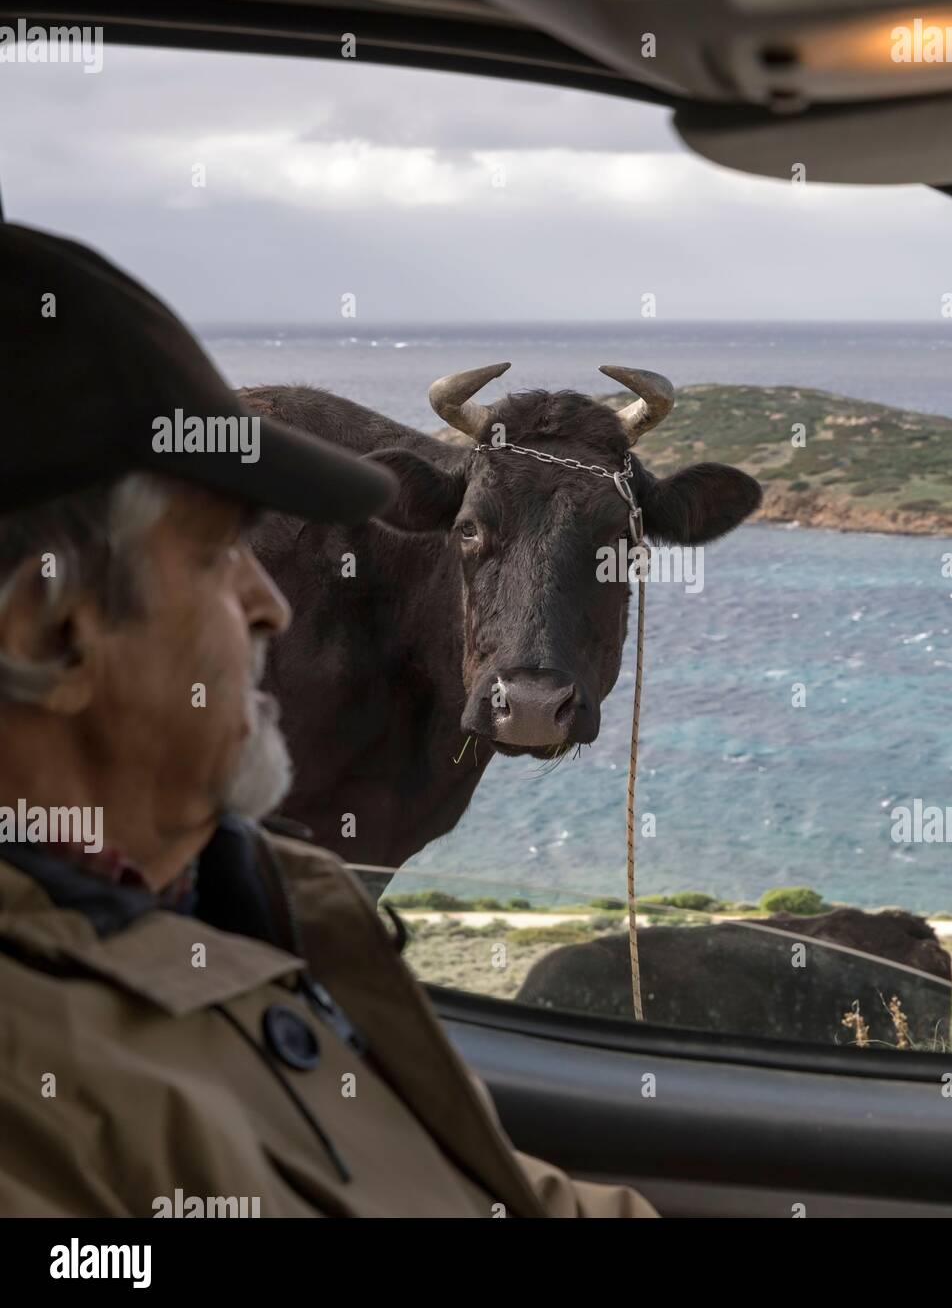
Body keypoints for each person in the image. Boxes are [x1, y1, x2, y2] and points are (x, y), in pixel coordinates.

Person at [0, 223, 658, 1217]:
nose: (269, 603)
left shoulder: (266, 897)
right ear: (50, 633)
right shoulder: (43, 1087)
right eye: (221, 551)